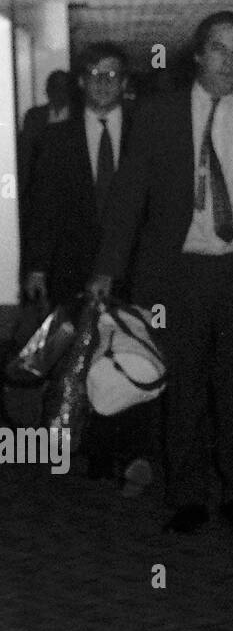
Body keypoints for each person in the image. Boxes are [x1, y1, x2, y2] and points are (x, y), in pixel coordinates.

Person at [88, 12, 233, 535]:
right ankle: (188, 495)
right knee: (186, 386)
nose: (229, 62)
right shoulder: (159, 113)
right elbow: (129, 197)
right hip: (176, 274)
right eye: (219, 50)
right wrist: (107, 269)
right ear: (198, 54)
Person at [23, 43, 152, 493]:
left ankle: (125, 448)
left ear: (125, 82)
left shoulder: (146, 131)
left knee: (126, 352)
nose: (103, 82)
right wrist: (37, 267)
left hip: (133, 265)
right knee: (80, 355)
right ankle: (91, 448)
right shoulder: (57, 139)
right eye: (94, 73)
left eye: (113, 74)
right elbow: (43, 207)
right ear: (81, 81)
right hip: (72, 265)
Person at [18, 69, 73, 221]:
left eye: (63, 87)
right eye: (54, 87)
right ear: (47, 90)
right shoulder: (34, 116)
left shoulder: (79, 118)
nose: (58, 92)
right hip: (39, 193)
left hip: (70, 193)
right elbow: (25, 155)